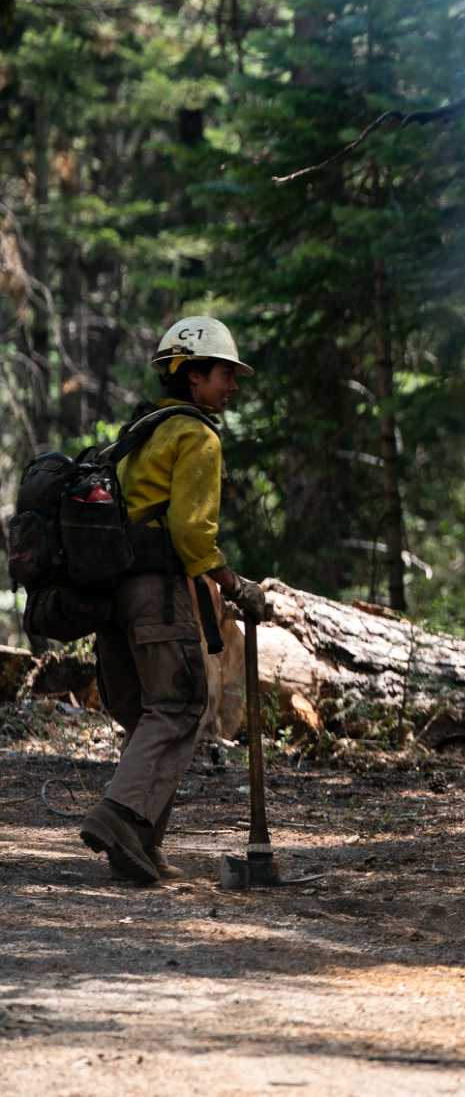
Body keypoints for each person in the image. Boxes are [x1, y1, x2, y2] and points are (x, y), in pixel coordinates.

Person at [79, 316, 270, 885]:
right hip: (157, 594)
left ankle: (141, 842)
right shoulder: (198, 436)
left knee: (148, 714)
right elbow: (191, 535)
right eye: (223, 375)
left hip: (114, 593)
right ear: (192, 376)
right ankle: (118, 817)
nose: (232, 387)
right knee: (182, 705)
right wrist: (236, 585)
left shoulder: (146, 429)